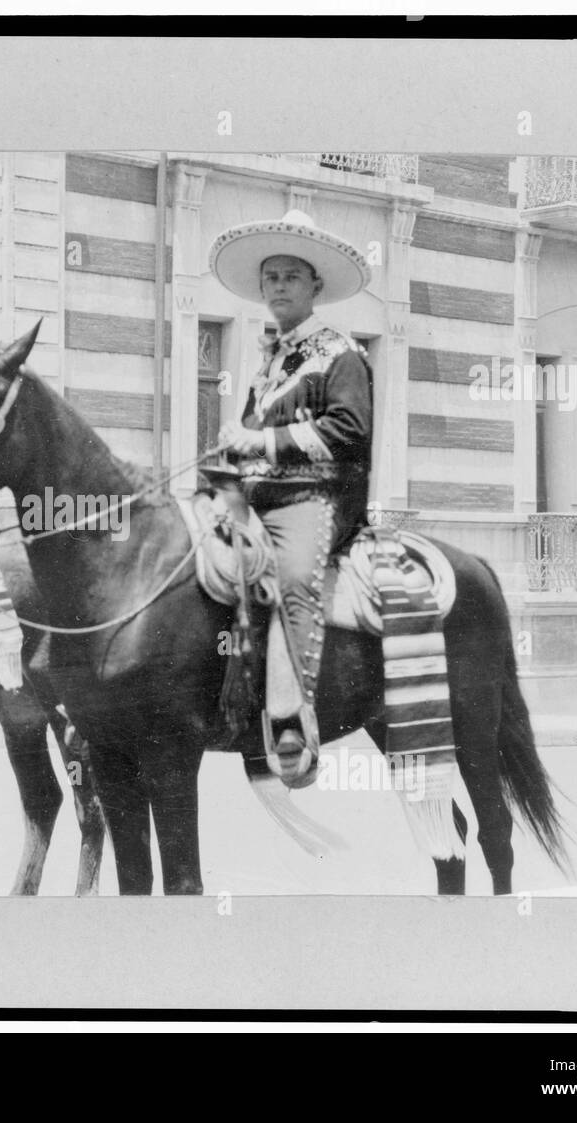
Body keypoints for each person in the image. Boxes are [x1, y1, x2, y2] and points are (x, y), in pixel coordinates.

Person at [207, 210, 373, 788]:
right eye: (271, 277)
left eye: (291, 277)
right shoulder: (270, 361)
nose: (278, 286)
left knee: (295, 577)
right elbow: (253, 436)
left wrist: (261, 439)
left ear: (315, 287)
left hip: (315, 496)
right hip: (258, 497)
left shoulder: (341, 351)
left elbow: (349, 431)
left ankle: (291, 723)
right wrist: (232, 451)